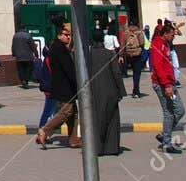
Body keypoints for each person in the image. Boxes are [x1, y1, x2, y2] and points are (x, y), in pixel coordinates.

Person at [35, 24, 80, 147]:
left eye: (69, 35)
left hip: (62, 85)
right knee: (66, 112)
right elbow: (68, 69)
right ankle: (45, 130)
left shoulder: (57, 47)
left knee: (73, 113)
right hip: (64, 86)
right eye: (66, 35)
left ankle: (73, 139)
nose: (68, 37)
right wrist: (77, 82)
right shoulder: (60, 49)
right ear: (59, 35)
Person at [88, 28, 125, 156]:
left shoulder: (88, 55)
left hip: (92, 91)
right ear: (103, 39)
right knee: (112, 119)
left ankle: (97, 148)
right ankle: (111, 147)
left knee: (95, 119)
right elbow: (116, 73)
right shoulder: (109, 54)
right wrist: (121, 91)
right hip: (110, 91)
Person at [151, 19, 185, 154]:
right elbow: (158, 67)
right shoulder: (158, 45)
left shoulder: (165, 44)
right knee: (169, 113)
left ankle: (165, 134)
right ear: (165, 34)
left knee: (180, 110)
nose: (173, 37)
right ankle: (166, 143)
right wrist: (166, 85)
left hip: (170, 82)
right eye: (172, 35)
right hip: (162, 84)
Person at [120, 20, 147, 97]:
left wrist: (121, 55)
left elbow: (123, 44)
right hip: (137, 55)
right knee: (137, 73)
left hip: (128, 55)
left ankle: (129, 91)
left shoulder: (126, 33)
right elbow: (142, 43)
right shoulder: (139, 32)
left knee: (129, 72)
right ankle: (136, 91)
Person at [10, 24, 36, 89]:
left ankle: (23, 80)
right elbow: (32, 45)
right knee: (29, 68)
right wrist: (36, 53)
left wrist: (13, 53)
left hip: (19, 56)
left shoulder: (15, 36)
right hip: (28, 56)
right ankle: (26, 80)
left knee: (21, 69)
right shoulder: (28, 35)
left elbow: (13, 46)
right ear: (25, 28)